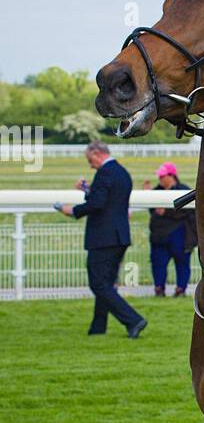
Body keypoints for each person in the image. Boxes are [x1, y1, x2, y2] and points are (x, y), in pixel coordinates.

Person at [57, 141, 147, 337]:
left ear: (97, 154)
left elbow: (98, 204)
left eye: (90, 160)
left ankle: (133, 320)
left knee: (98, 284)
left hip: (104, 238)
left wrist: (72, 211)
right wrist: (88, 190)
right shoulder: (122, 172)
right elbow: (108, 200)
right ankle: (98, 328)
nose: (90, 165)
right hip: (119, 236)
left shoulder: (105, 173)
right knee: (106, 284)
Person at [141, 161, 197, 297]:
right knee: (158, 264)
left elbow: (188, 212)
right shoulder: (156, 191)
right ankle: (159, 289)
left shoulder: (183, 189)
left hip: (180, 235)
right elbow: (152, 211)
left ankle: (180, 289)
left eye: (162, 176)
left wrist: (166, 212)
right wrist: (147, 195)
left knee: (182, 263)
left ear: (171, 176)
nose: (159, 179)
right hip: (159, 236)